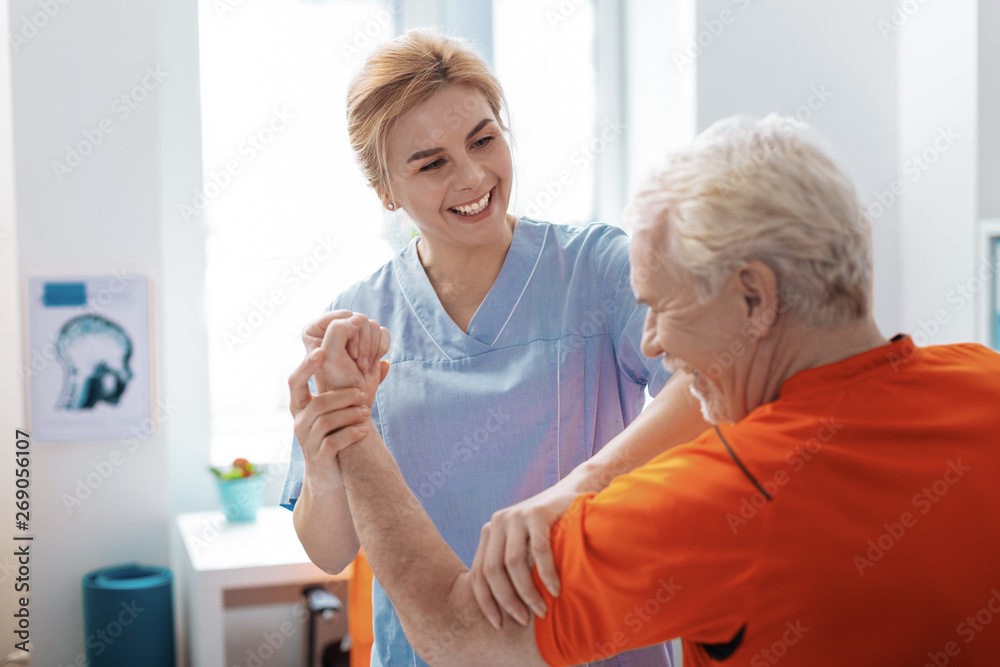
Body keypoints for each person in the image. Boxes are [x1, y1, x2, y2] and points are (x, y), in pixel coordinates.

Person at [290, 114, 1000, 666]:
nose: (653, 341)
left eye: (662, 305)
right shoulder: (984, 380)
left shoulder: (719, 497)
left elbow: (457, 633)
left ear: (754, 297)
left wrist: (352, 427)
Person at [280, 29, 709, 667]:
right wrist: (324, 459)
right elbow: (329, 551)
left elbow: (711, 389)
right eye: (431, 163)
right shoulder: (361, 319)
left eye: (484, 139)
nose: (475, 175)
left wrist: (577, 491)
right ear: (386, 190)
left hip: (596, 643)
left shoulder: (597, 270)